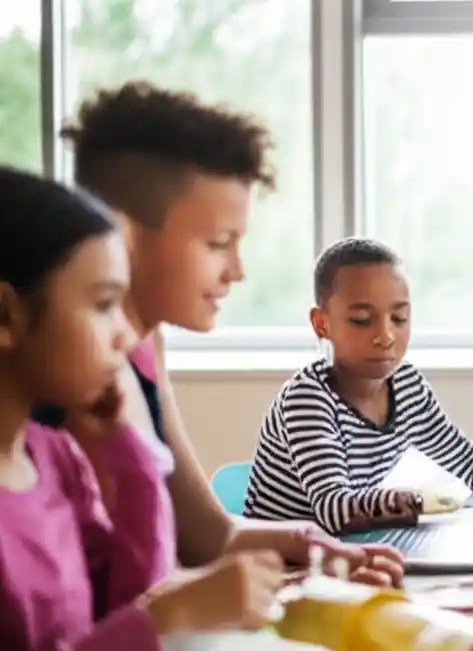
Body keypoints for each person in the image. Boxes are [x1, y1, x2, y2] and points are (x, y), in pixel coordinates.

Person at [55, 81, 403, 584]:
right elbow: (108, 591)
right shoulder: (62, 369)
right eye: (219, 243)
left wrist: (320, 552)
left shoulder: (146, 343)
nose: (237, 270)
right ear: (125, 236)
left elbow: (203, 534)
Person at [0, 167, 285, 651]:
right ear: (7, 316)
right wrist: (169, 618)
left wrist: (127, 458)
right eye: (104, 304)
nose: (125, 336)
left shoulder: (54, 460)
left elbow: (125, 610)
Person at [244, 238, 473, 534]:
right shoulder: (308, 399)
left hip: (347, 554)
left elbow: (471, 464)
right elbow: (334, 510)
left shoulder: (406, 386)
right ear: (321, 323)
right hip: (283, 568)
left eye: (399, 318)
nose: (386, 336)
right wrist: (422, 500)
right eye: (361, 320)